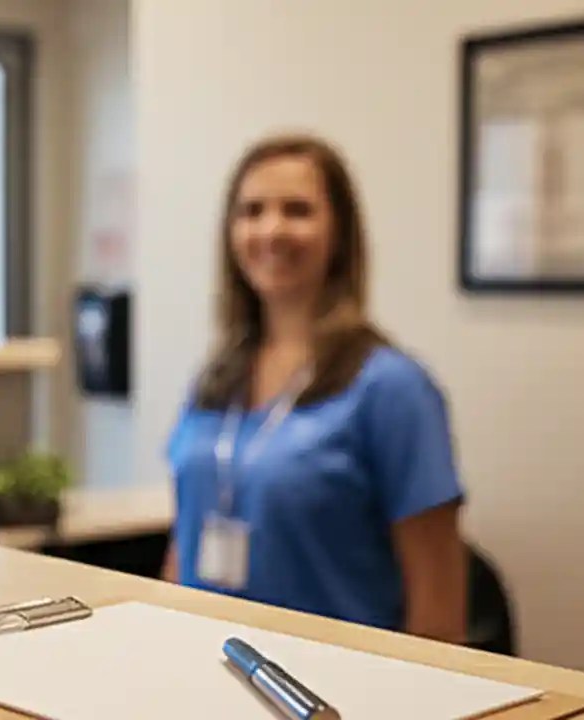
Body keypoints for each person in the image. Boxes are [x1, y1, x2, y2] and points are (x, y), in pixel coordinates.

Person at [161, 133, 467, 643]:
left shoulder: (392, 388)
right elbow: (185, 541)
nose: (272, 229)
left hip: (330, 682)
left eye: (297, 210)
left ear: (340, 234)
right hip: (202, 664)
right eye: (252, 211)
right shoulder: (214, 380)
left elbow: (438, 614)